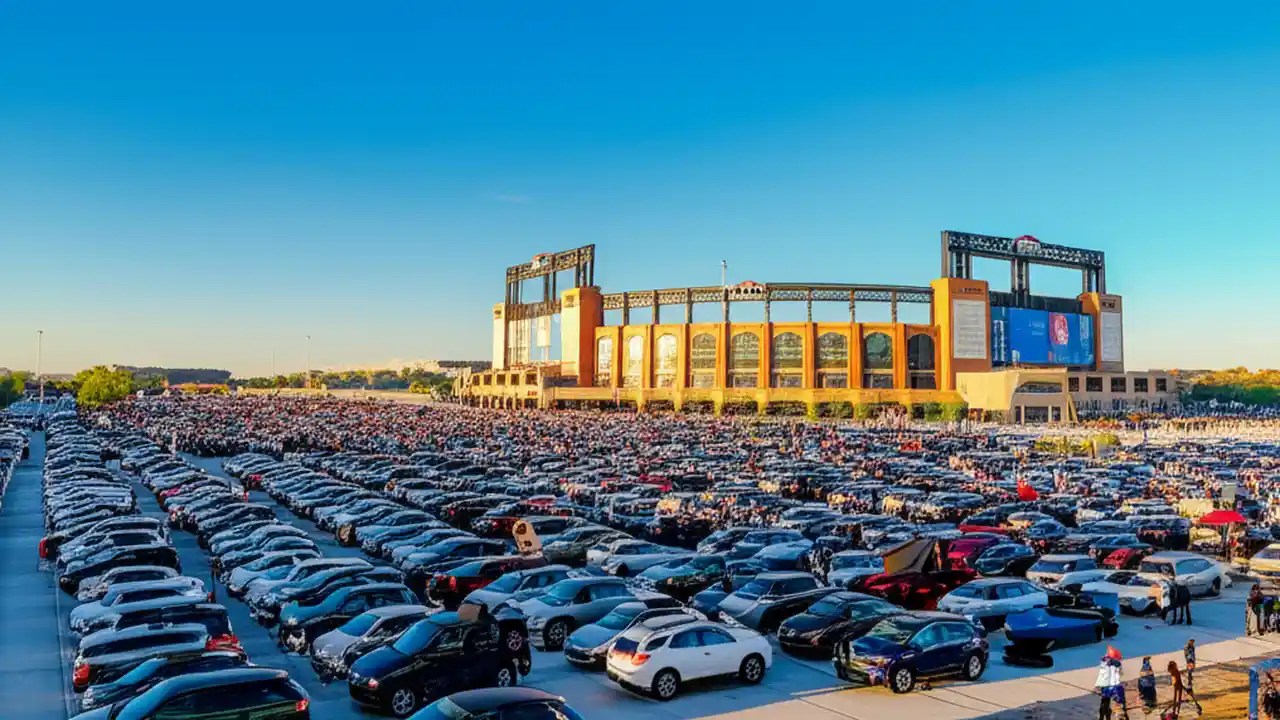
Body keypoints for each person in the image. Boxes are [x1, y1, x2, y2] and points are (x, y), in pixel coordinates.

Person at [1095, 646, 1129, 720]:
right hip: (1112, 687)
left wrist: (1097, 687)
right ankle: (1121, 711)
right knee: (1120, 696)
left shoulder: (1104, 662)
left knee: (1104, 702)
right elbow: (1119, 674)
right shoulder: (1116, 664)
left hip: (1104, 687)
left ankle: (1102, 716)